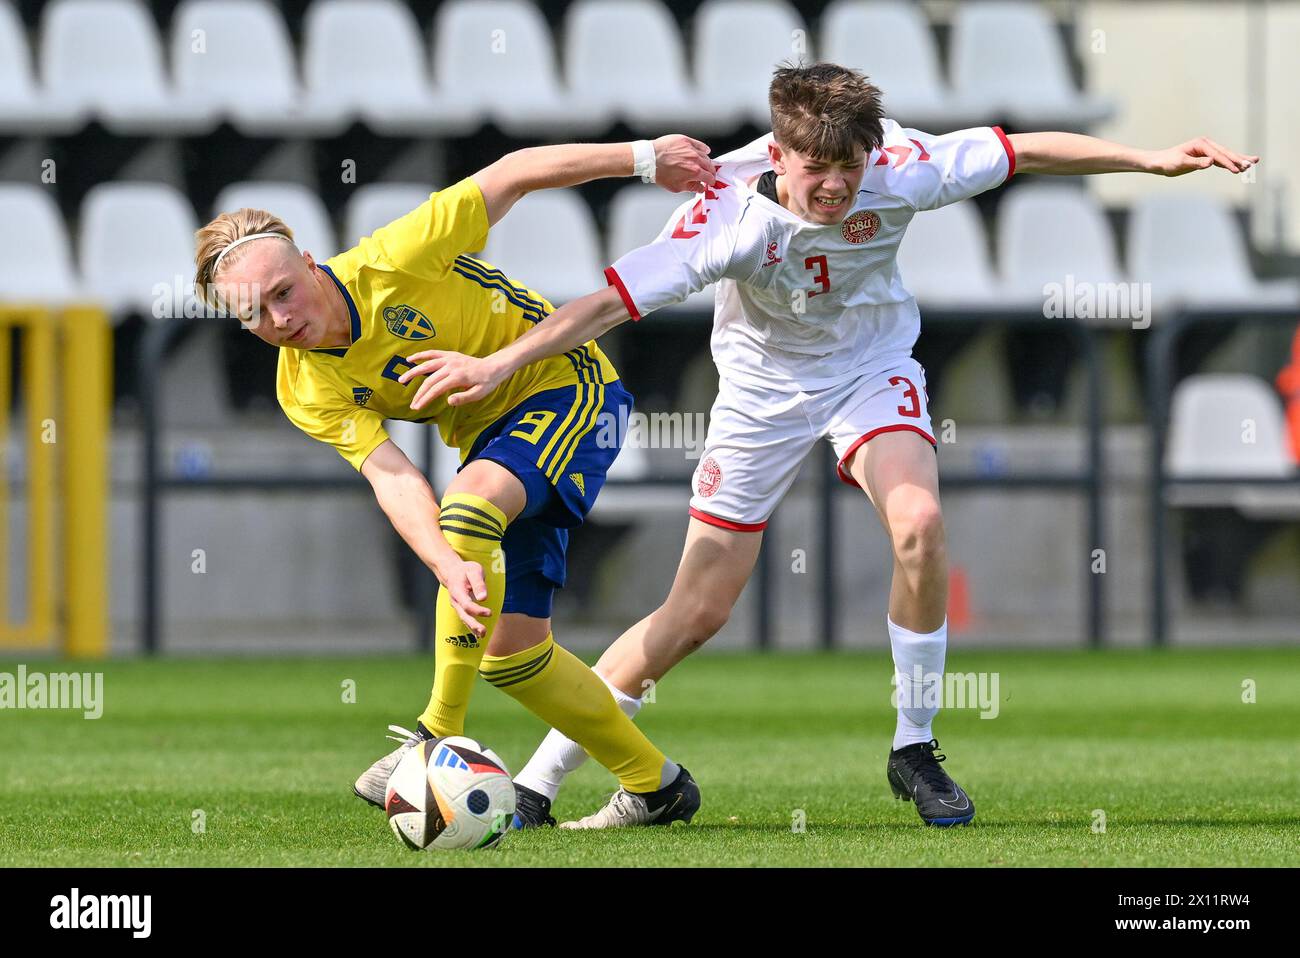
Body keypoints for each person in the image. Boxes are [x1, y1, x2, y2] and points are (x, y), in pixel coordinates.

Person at [397, 63, 1260, 828]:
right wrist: (499, 361)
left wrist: (1148, 159)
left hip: (870, 369)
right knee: (696, 614)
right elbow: (601, 306)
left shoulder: (903, 166)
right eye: (819, 171)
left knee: (918, 523)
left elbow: (1024, 149)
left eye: (850, 170)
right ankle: (544, 783)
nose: (838, 190)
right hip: (761, 399)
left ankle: (914, 748)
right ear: (779, 154)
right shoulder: (720, 219)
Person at [193, 135, 718, 830]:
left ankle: (435, 731)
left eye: (283, 292)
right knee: (512, 656)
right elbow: (392, 475)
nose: (279, 320)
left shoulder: (396, 256)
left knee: (468, 507)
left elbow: (514, 172)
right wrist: (443, 561)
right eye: (253, 314)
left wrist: (646, 159)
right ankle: (656, 787)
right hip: (489, 440)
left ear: (313, 265)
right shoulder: (302, 387)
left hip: (566, 385)